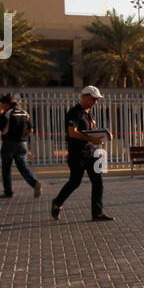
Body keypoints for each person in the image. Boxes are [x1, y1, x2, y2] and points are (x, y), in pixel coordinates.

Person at [51, 85, 114, 222]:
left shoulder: (89, 114)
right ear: (84, 97)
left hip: (92, 153)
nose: (95, 102)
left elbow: (91, 132)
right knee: (75, 182)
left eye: (96, 99)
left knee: (98, 182)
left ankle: (97, 213)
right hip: (77, 154)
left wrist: (102, 137)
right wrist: (91, 138)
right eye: (93, 99)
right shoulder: (74, 112)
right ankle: (57, 202)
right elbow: (72, 132)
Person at [0, 93, 41, 199]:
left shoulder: (7, 113)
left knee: (6, 168)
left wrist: (0, 117)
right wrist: (23, 136)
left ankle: (8, 192)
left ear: (6, 104)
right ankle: (34, 183)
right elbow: (31, 130)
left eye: (2, 104)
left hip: (9, 143)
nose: (1, 106)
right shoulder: (24, 113)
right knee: (23, 166)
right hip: (22, 143)